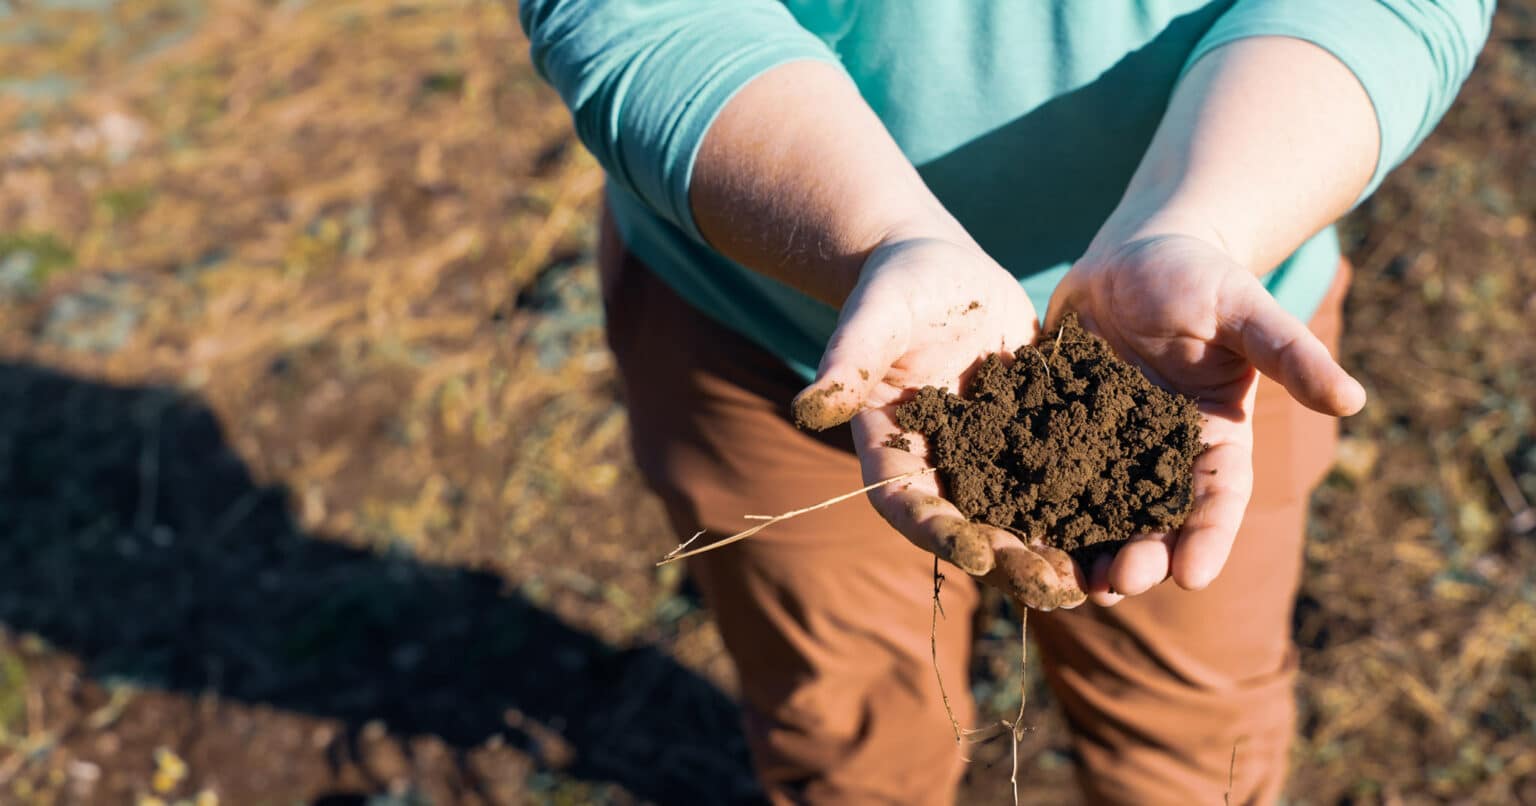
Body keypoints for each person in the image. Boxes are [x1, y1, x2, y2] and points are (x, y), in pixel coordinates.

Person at [520, 1, 1492, 802]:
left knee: (1196, 740)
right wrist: (879, 238)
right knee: (844, 728)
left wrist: (1204, 225)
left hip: (1204, 341)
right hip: (769, 325)